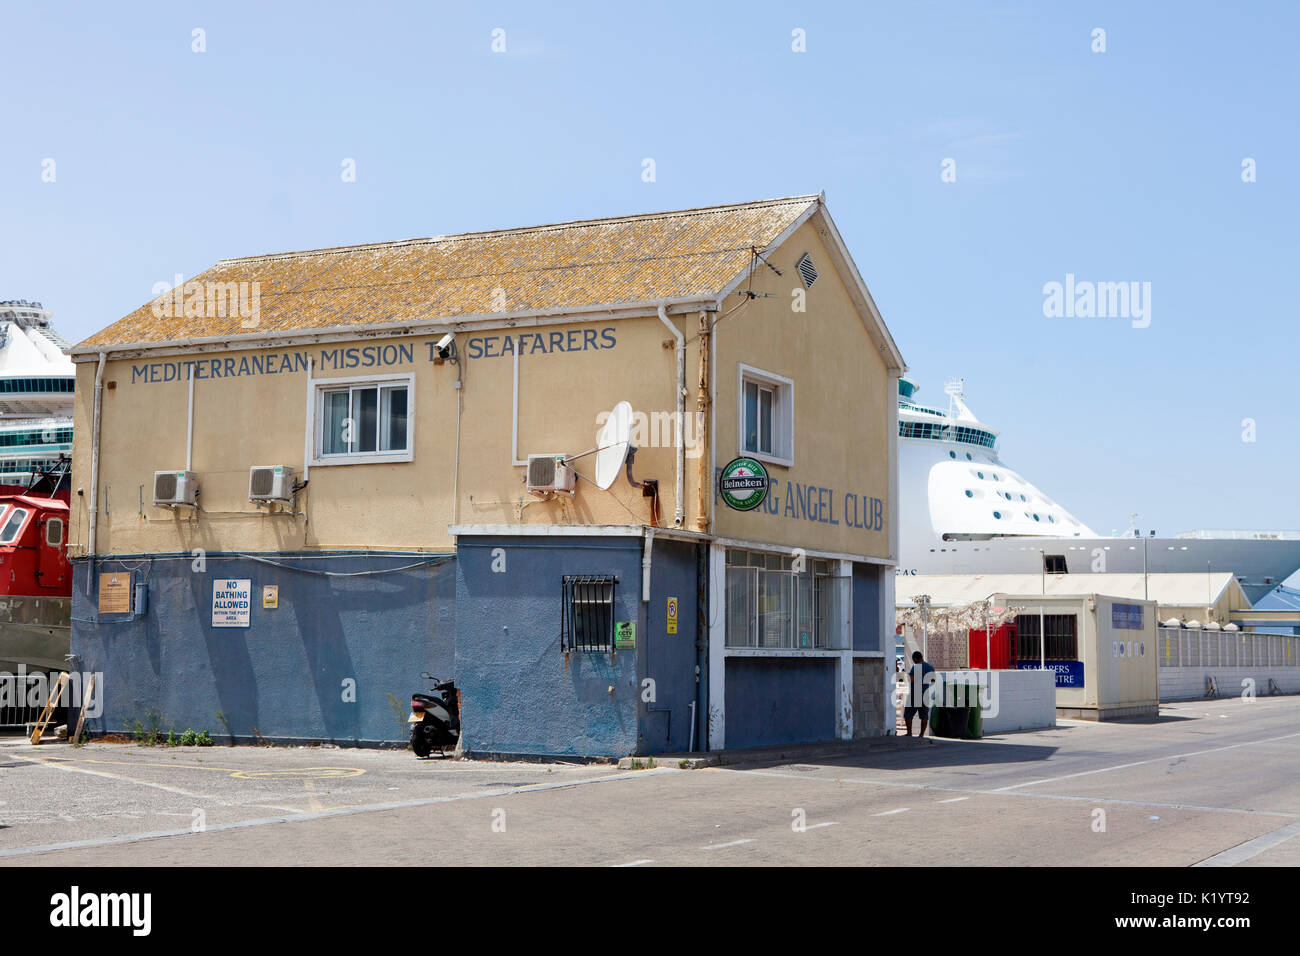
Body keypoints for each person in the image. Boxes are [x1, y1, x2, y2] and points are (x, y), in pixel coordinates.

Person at [903, 651, 936, 738]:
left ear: (915, 659)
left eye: (913, 659)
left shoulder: (916, 667)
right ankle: (921, 735)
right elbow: (933, 680)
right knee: (924, 715)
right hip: (925, 694)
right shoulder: (930, 667)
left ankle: (909, 733)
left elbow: (912, 680)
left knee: (908, 714)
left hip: (915, 694)